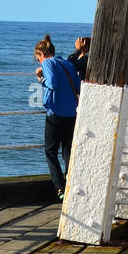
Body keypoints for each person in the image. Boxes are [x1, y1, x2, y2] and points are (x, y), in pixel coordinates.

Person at [34, 34, 80, 200]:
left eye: (37, 58)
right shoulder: (67, 63)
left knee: (50, 151)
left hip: (56, 113)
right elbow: (77, 85)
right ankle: (70, 184)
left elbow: (52, 83)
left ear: (41, 54)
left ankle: (60, 188)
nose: (38, 62)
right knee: (67, 150)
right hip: (72, 113)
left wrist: (41, 79)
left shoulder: (47, 62)